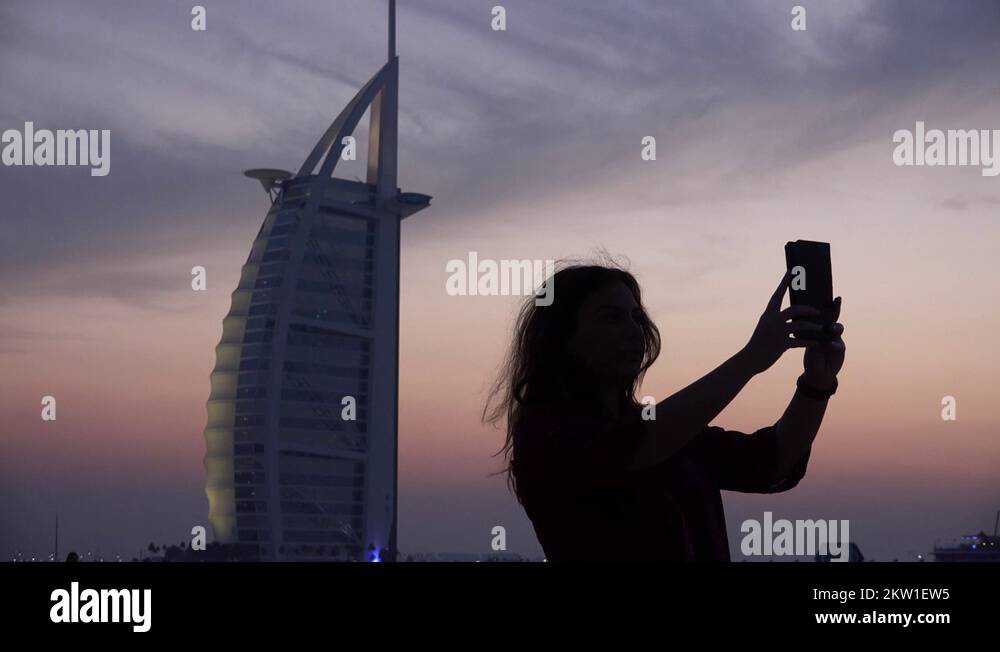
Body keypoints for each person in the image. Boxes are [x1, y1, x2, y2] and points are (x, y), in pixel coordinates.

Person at [484, 261, 845, 561]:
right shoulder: (548, 434)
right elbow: (632, 446)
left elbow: (771, 461)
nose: (633, 331)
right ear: (562, 337)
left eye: (636, 317)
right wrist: (751, 358)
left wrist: (816, 384)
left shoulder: (663, 429)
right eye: (611, 317)